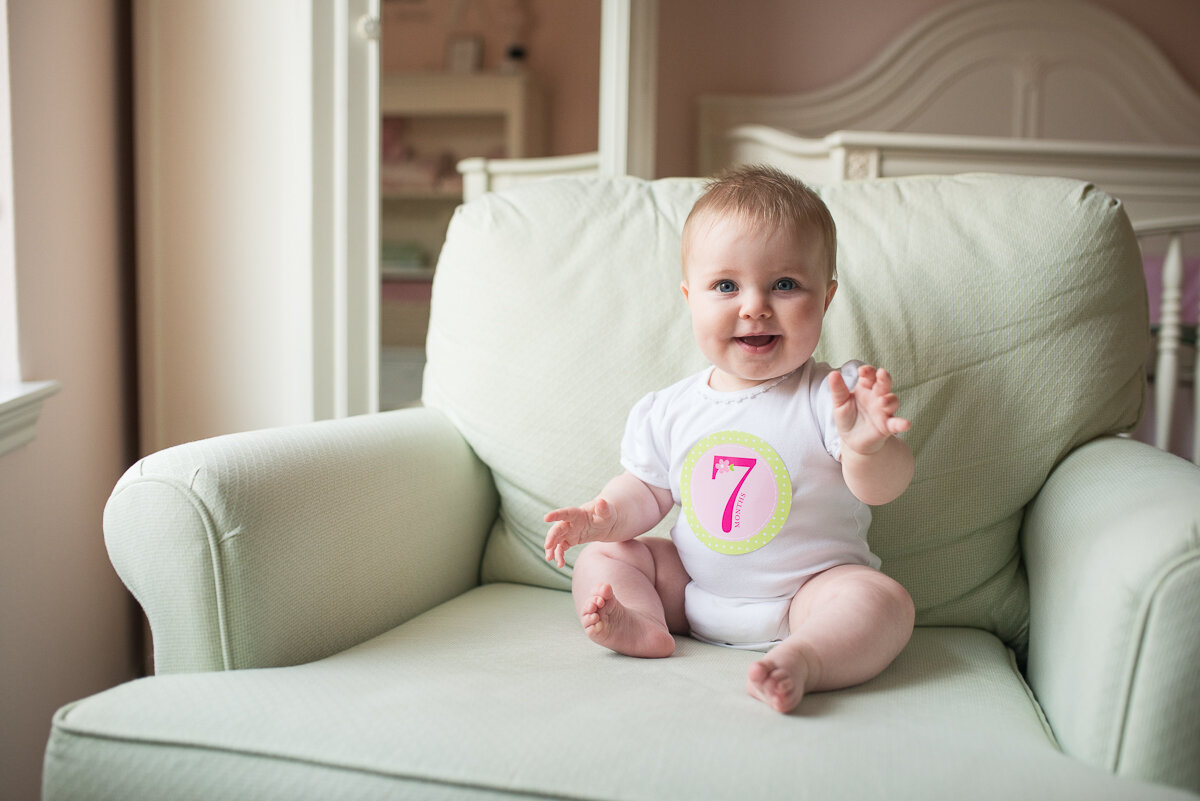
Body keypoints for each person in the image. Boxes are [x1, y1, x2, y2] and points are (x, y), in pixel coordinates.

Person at [543, 165, 916, 714]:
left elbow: (883, 488)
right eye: (725, 286)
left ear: (827, 297)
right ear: (690, 297)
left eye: (785, 284)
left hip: (807, 596)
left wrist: (868, 447)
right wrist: (602, 518)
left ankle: (805, 660)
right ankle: (641, 623)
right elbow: (645, 494)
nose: (755, 306)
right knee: (610, 553)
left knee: (883, 601)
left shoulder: (833, 394)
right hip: (691, 590)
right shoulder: (669, 408)